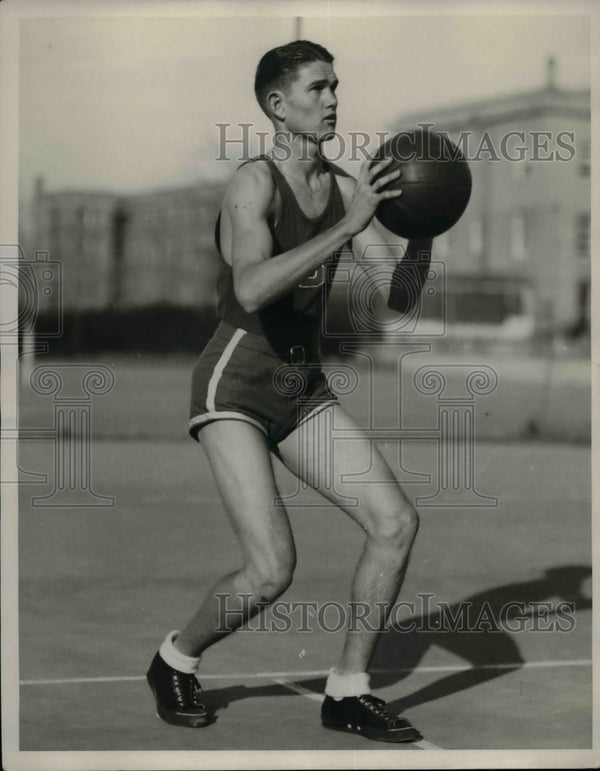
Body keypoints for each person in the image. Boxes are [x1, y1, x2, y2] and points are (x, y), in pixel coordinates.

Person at [147, 40, 433, 744]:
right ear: (278, 104)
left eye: (337, 85)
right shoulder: (254, 182)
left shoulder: (341, 185)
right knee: (272, 567)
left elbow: (396, 296)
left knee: (395, 522)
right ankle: (175, 658)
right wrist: (347, 225)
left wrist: (426, 230)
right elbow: (249, 286)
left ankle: (348, 690)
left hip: (301, 387)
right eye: (317, 87)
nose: (334, 98)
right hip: (235, 383)